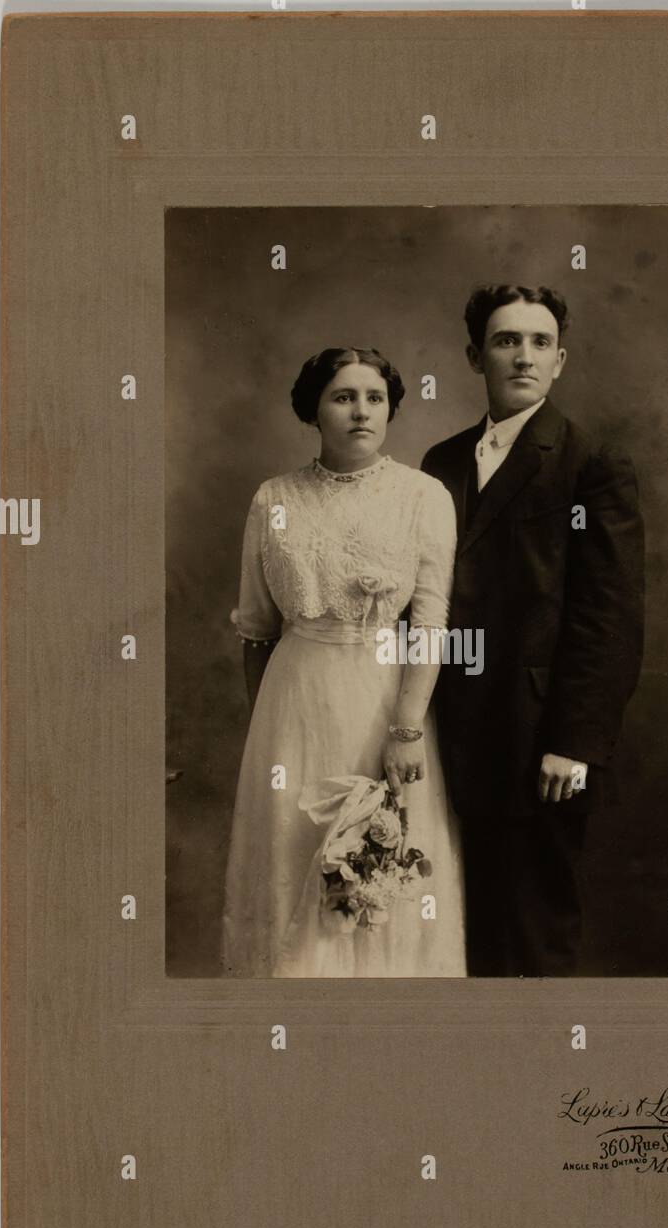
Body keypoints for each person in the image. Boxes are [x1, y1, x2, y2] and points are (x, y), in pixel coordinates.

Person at [421, 284, 645, 977]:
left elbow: (609, 615)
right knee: (460, 928)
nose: (523, 356)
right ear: (473, 356)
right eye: (505, 341)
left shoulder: (590, 461)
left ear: (561, 360)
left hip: (535, 742)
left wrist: (574, 743)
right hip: (444, 733)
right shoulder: (441, 463)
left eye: (539, 343)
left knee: (533, 932)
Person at [222, 346, 466, 978]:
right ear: (314, 409)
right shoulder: (272, 498)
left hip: (384, 701)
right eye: (344, 397)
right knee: (292, 856)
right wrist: (268, 729)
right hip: (293, 703)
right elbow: (255, 629)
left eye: (375, 398)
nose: (362, 412)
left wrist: (407, 727)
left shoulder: (424, 496)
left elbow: (431, 622)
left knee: (378, 865)